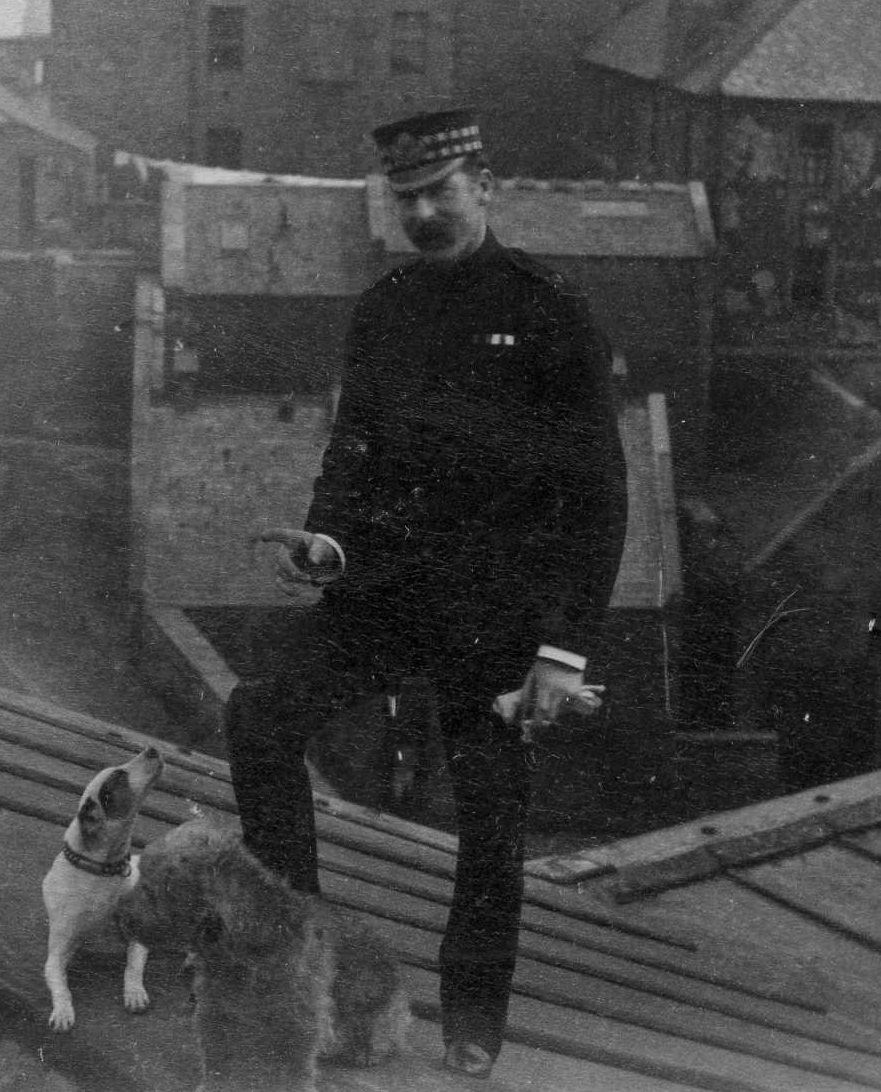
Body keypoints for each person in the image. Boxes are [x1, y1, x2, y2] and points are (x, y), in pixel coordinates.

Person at [226, 109, 628, 1078]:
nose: (423, 210)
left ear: (485, 184)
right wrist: (327, 543)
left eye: (440, 189)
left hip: (499, 613)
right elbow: (353, 450)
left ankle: (473, 1017)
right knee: (258, 716)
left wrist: (561, 649)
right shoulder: (385, 310)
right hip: (388, 594)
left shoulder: (551, 312)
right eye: (405, 196)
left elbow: (600, 495)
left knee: (491, 809)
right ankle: (296, 961)